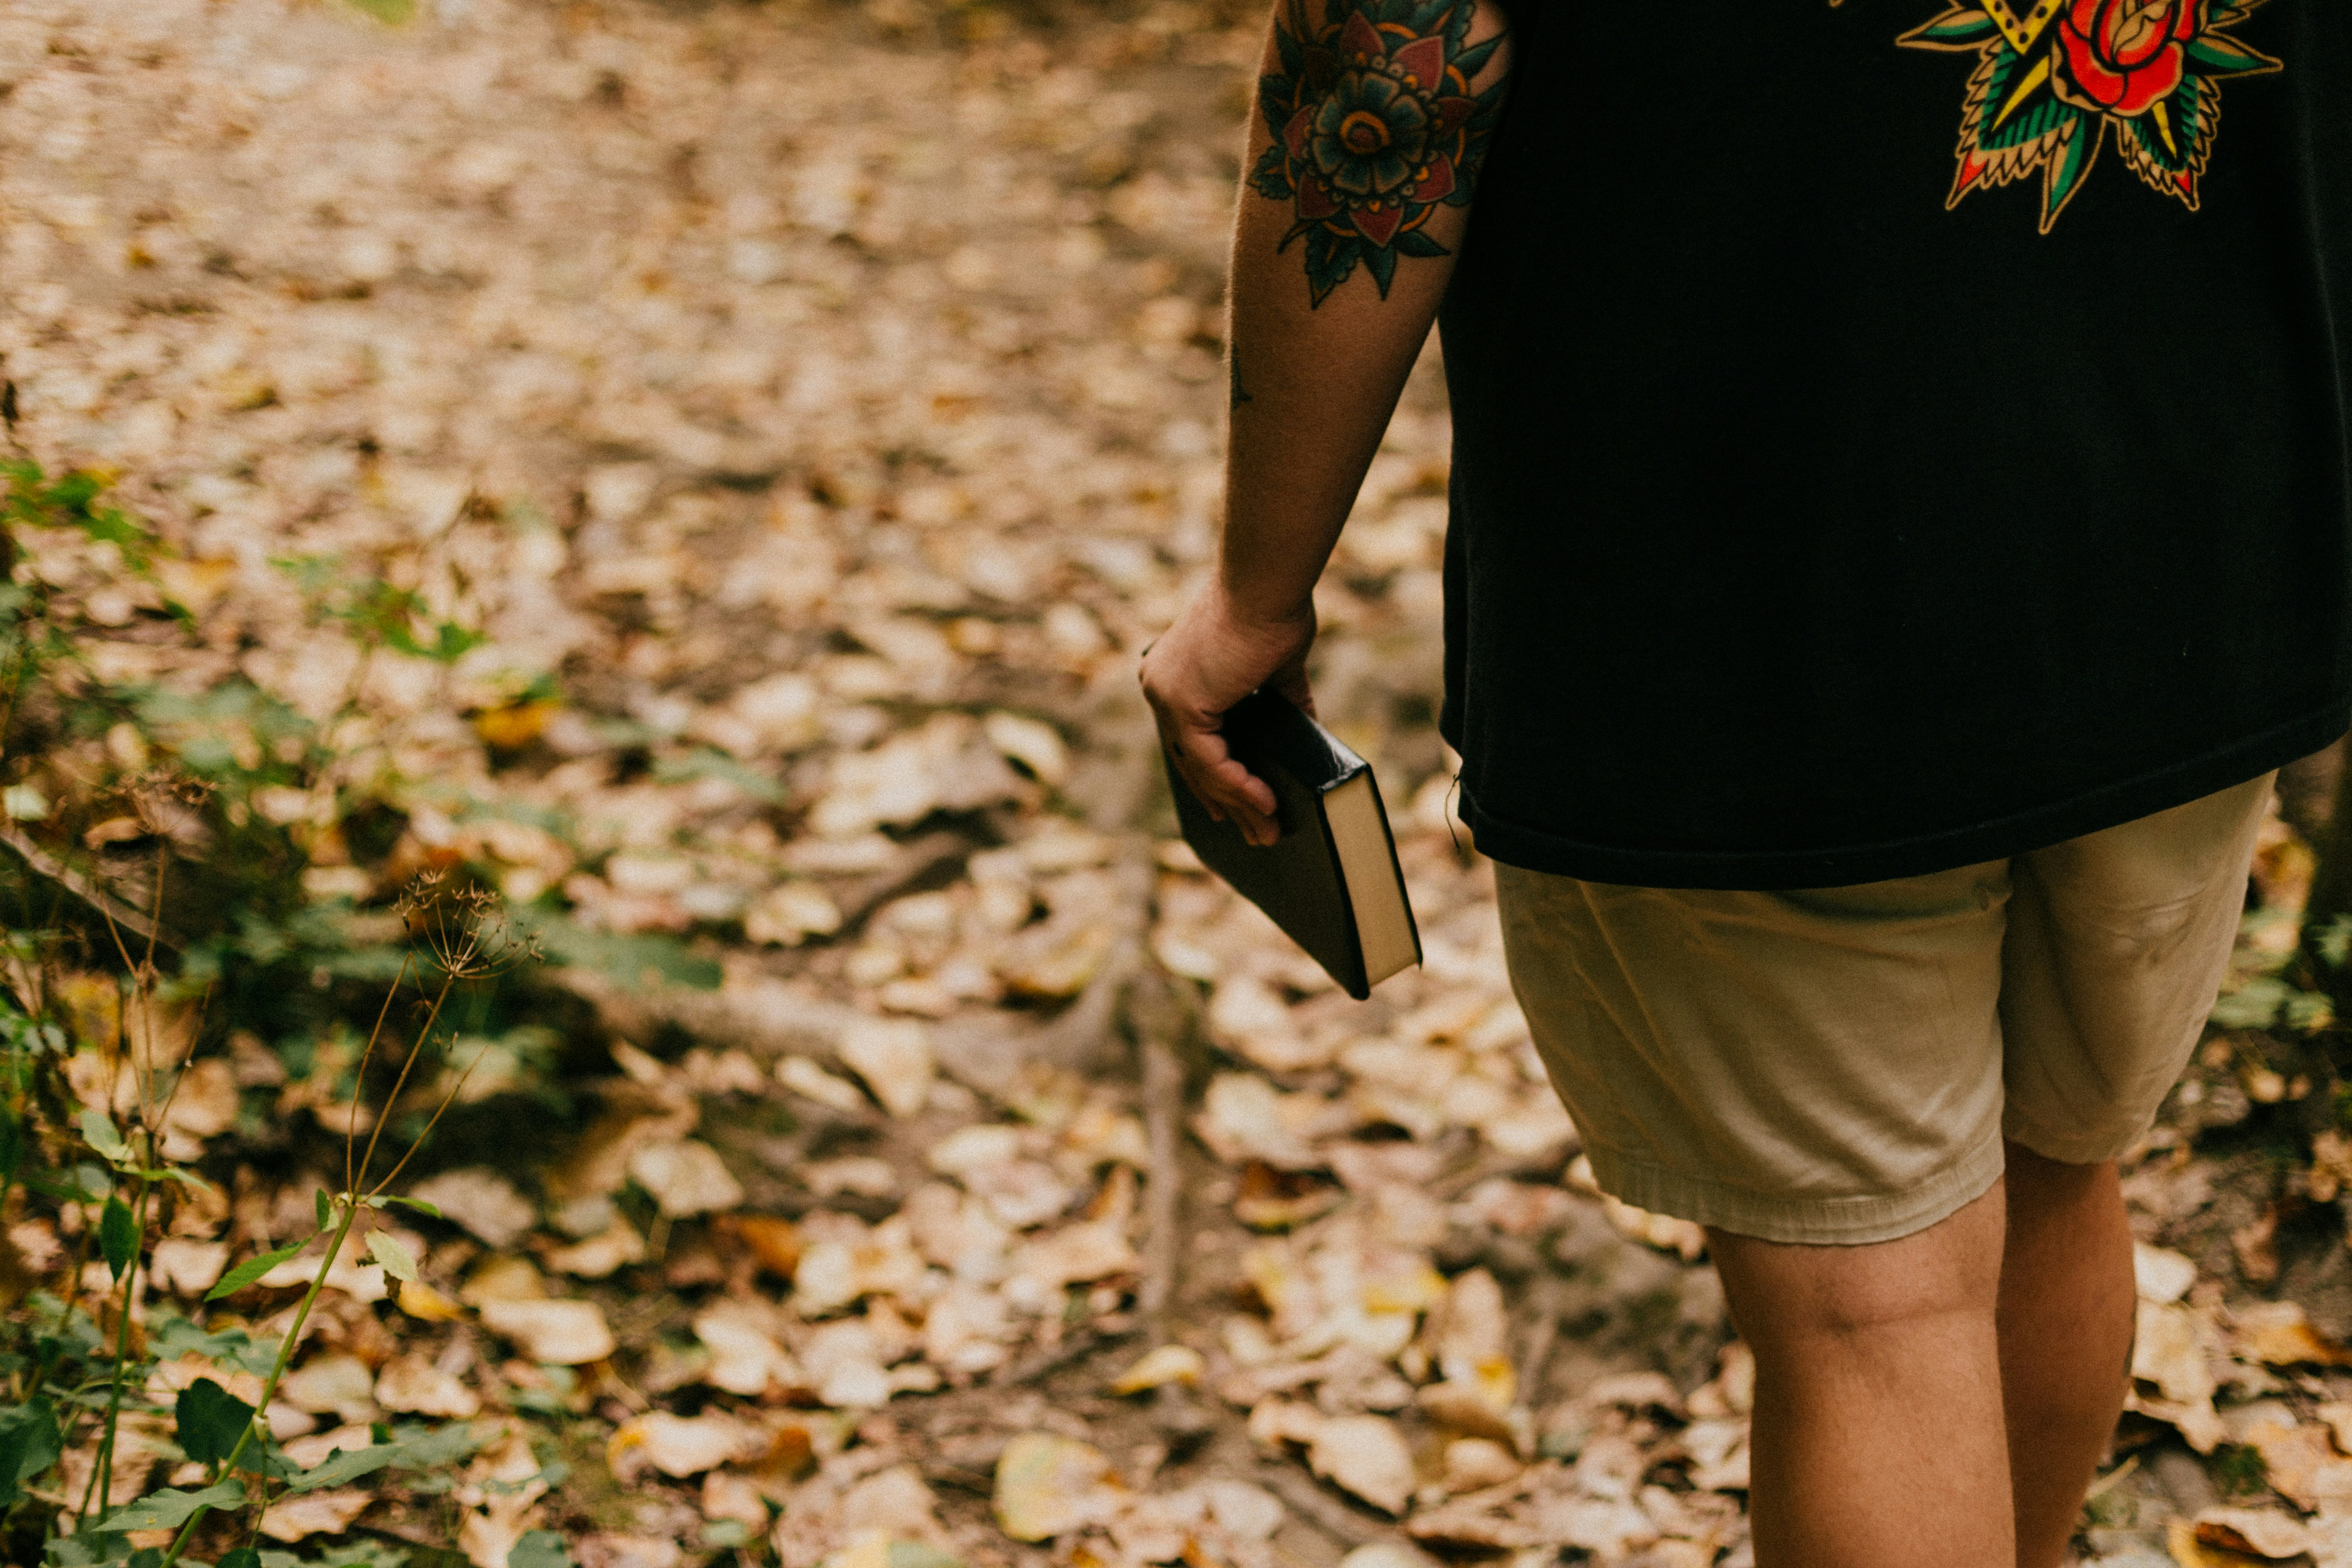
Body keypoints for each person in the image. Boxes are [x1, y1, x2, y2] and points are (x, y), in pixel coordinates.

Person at [1139, 1, 2352, 1562]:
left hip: (1754, 574)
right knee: (2055, 1172)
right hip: (2200, 530)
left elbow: (1386, 67)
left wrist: (1255, 585)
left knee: (1875, 1305)